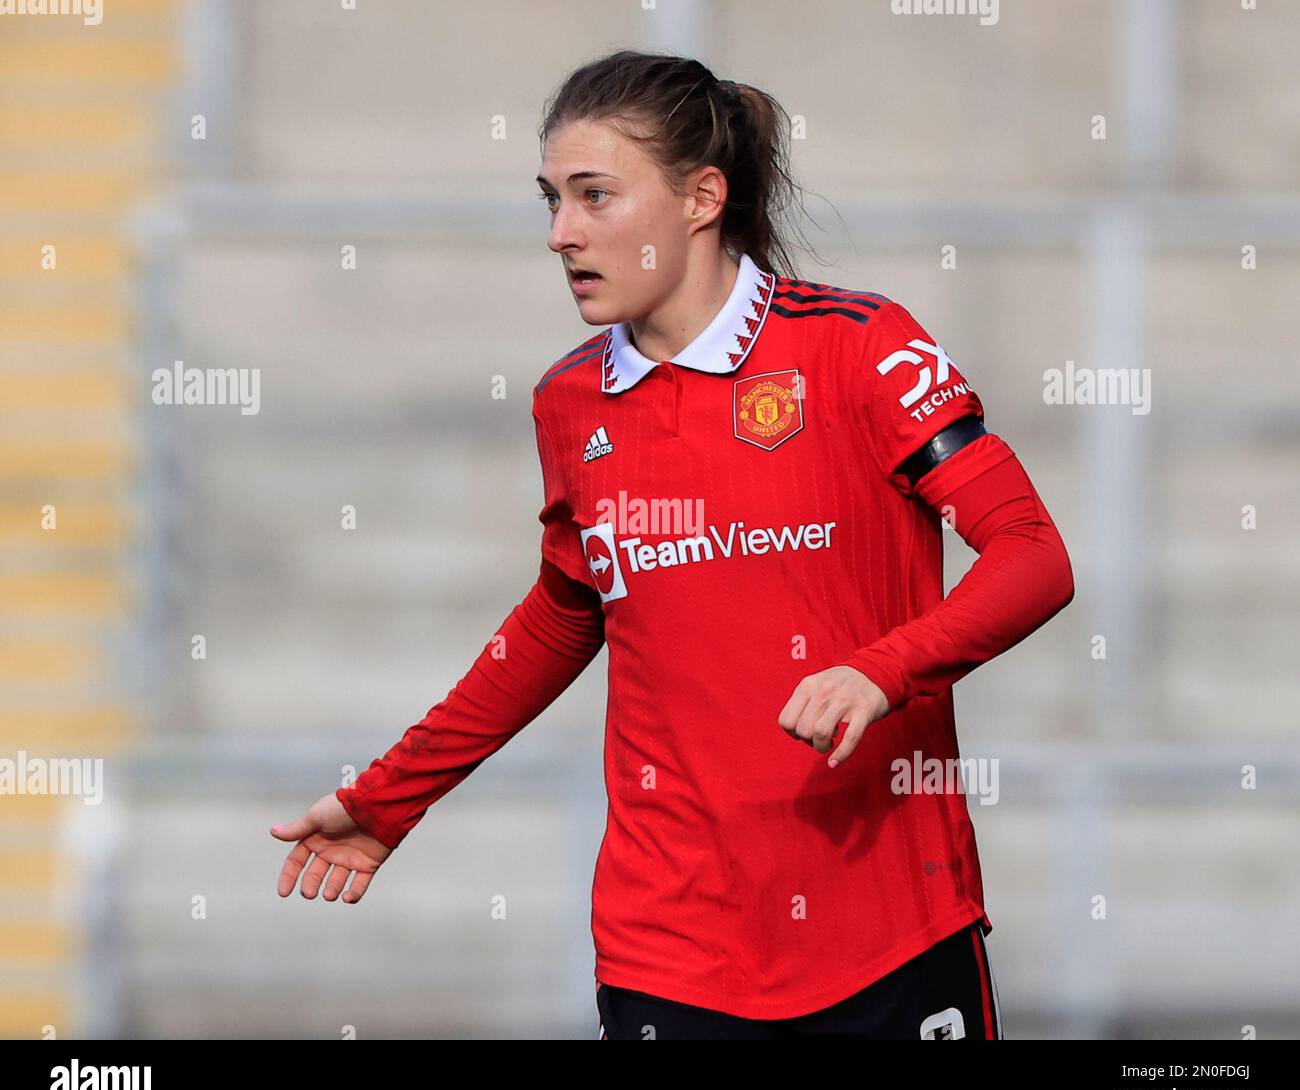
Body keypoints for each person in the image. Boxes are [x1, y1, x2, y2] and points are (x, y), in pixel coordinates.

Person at [271, 49, 1074, 1040]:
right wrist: (390, 794)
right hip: (672, 952)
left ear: (700, 197)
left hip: (889, 935)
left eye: (595, 196)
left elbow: (1032, 555)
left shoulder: (860, 348)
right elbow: (563, 617)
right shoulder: (569, 401)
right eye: (551, 200)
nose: (562, 233)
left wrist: (880, 670)